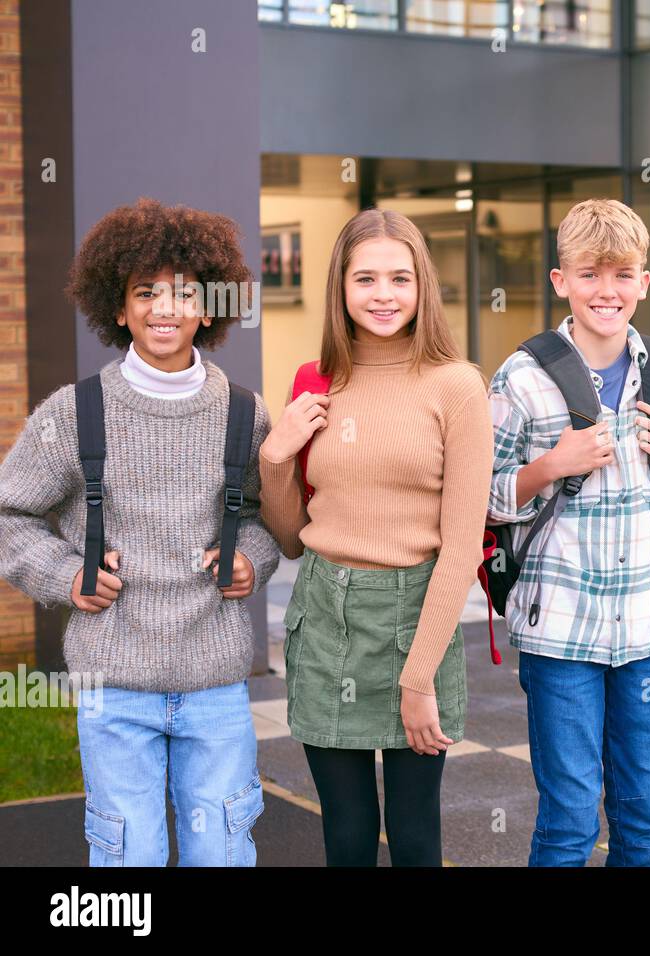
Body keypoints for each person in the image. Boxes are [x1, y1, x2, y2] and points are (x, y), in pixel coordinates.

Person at [0, 198, 280, 865]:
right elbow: (9, 513)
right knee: (130, 857)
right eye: (145, 291)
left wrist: (252, 559)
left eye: (185, 292)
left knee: (222, 851)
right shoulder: (73, 415)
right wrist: (64, 576)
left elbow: (269, 519)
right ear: (118, 308)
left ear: (209, 308)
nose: (164, 307)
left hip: (215, 685)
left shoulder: (245, 414)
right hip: (113, 688)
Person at [258, 208, 492, 866]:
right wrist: (276, 459)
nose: (383, 294)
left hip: (418, 617)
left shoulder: (457, 386)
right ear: (340, 287)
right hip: (326, 613)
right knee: (348, 837)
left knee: (416, 839)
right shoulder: (317, 381)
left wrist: (418, 680)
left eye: (400, 277)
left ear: (423, 287)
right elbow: (292, 539)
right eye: (365, 279)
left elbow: (461, 547)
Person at [487, 198, 650, 866]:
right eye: (588, 274)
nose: (604, 291)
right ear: (560, 281)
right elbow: (484, 498)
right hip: (561, 633)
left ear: (643, 282)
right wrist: (552, 465)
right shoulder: (521, 376)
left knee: (641, 821)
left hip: (646, 629)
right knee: (570, 821)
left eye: (621, 275)